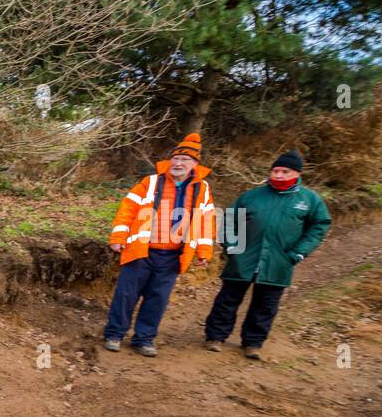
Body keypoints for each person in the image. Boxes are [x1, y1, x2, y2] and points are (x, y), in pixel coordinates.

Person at [203, 150, 331, 360]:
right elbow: (229, 220)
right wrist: (233, 247)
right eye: (275, 171)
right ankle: (215, 337)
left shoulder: (309, 200)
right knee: (227, 299)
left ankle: (253, 343)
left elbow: (319, 227)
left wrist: (298, 253)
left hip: (279, 261)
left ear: (297, 174)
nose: (278, 175)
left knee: (266, 304)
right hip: (243, 257)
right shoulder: (253, 196)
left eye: (284, 171)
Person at [102, 133, 216, 357]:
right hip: (142, 250)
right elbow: (127, 210)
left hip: (173, 255)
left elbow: (206, 220)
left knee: (157, 300)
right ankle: (114, 334)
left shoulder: (202, 189)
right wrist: (118, 238)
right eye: (175, 158)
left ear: (194, 164)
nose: (178, 163)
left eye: (184, 160)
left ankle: (144, 339)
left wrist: (204, 251)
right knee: (126, 295)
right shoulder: (151, 182)